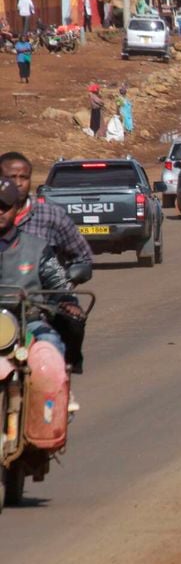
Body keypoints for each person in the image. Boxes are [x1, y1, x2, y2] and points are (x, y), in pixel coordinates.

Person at [1, 152, 93, 373]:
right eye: (12, 177)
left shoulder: (40, 242)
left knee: (50, 352)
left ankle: (56, 400)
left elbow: (67, 271)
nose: (19, 183)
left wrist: (64, 296)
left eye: (24, 177)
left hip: (32, 317)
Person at [0, 177, 83, 413]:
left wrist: (67, 300)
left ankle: (57, 399)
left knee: (51, 345)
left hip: (29, 322)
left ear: (16, 209)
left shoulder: (38, 248)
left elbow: (57, 281)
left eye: (4, 207)